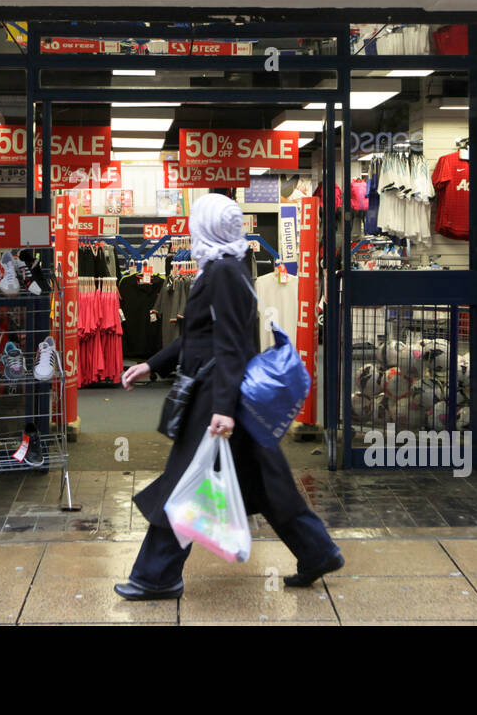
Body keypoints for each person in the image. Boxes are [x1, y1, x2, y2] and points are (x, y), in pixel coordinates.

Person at [113, 193, 343, 601]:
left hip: (217, 399)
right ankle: (317, 550)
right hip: (231, 399)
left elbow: (230, 345)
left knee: (184, 480)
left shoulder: (221, 273)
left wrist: (222, 409)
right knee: (270, 484)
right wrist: (152, 364)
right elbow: (199, 336)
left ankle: (157, 575)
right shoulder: (228, 268)